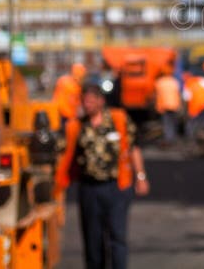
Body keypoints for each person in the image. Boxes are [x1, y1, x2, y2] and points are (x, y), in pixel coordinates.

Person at [55, 75, 149, 269]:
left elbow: (133, 148)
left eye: (91, 101)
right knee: (92, 239)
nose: (87, 105)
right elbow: (65, 153)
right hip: (89, 189)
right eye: (84, 101)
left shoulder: (118, 119)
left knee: (117, 236)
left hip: (116, 187)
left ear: (100, 101)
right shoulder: (76, 126)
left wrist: (140, 176)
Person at [182, 70, 204, 156]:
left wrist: (186, 112)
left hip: (196, 108)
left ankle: (194, 144)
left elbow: (186, 99)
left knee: (192, 127)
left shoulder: (188, 84)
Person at [52, 62, 86, 129]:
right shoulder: (75, 86)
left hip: (59, 111)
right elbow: (75, 101)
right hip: (68, 114)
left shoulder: (62, 80)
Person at [154, 67, 181, 147]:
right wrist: (179, 105)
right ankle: (172, 138)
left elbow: (158, 96)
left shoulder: (160, 82)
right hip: (174, 105)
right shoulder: (174, 82)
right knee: (173, 123)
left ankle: (168, 139)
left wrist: (158, 107)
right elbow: (177, 94)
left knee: (167, 123)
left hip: (165, 105)